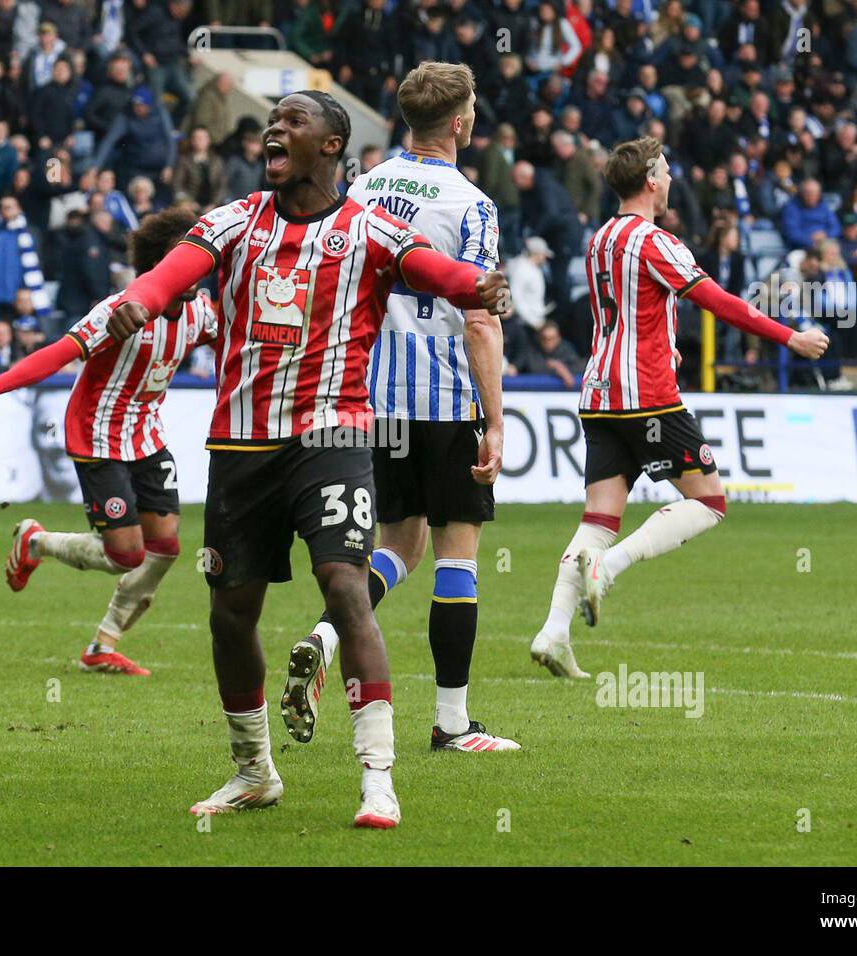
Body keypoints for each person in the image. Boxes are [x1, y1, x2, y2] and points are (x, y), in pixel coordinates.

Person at [102, 90, 510, 827]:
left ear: (331, 144)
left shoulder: (367, 227)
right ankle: (254, 771)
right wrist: (139, 298)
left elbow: (433, 271)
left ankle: (378, 778)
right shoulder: (231, 222)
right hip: (241, 446)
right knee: (231, 614)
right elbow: (169, 276)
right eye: (274, 119)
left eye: (294, 120)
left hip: (335, 438)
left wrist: (475, 282)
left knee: (347, 585)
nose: (274, 128)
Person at [278, 62, 517, 756]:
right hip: (442, 398)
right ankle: (451, 724)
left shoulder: (362, 186)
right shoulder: (470, 204)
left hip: (371, 400)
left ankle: (325, 636)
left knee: (396, 545)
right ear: (460, 121)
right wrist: (495, 420)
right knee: (457, 556)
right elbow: (478, 318)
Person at [528, 137, 829, 678]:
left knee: (598, 518)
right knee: (710, 501)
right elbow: (720, 302)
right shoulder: (654, 241)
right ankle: (610, 568)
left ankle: (553, 632)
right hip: (646, 396)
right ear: (649, 180)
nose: (670, 180)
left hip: (599, 394)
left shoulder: (599, 240)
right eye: (665, 171)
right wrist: (791, 338)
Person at [0, 207, 212, 676]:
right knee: (126, 555)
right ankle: (36, 542)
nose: (195, 266)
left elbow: (239, 338)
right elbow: (59, 353)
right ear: (160, 265)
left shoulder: (201, 313)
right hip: (97, 434)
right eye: (184, 257)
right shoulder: (121, 311)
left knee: (165, 548)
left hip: (146, 434)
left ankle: (101, 648)